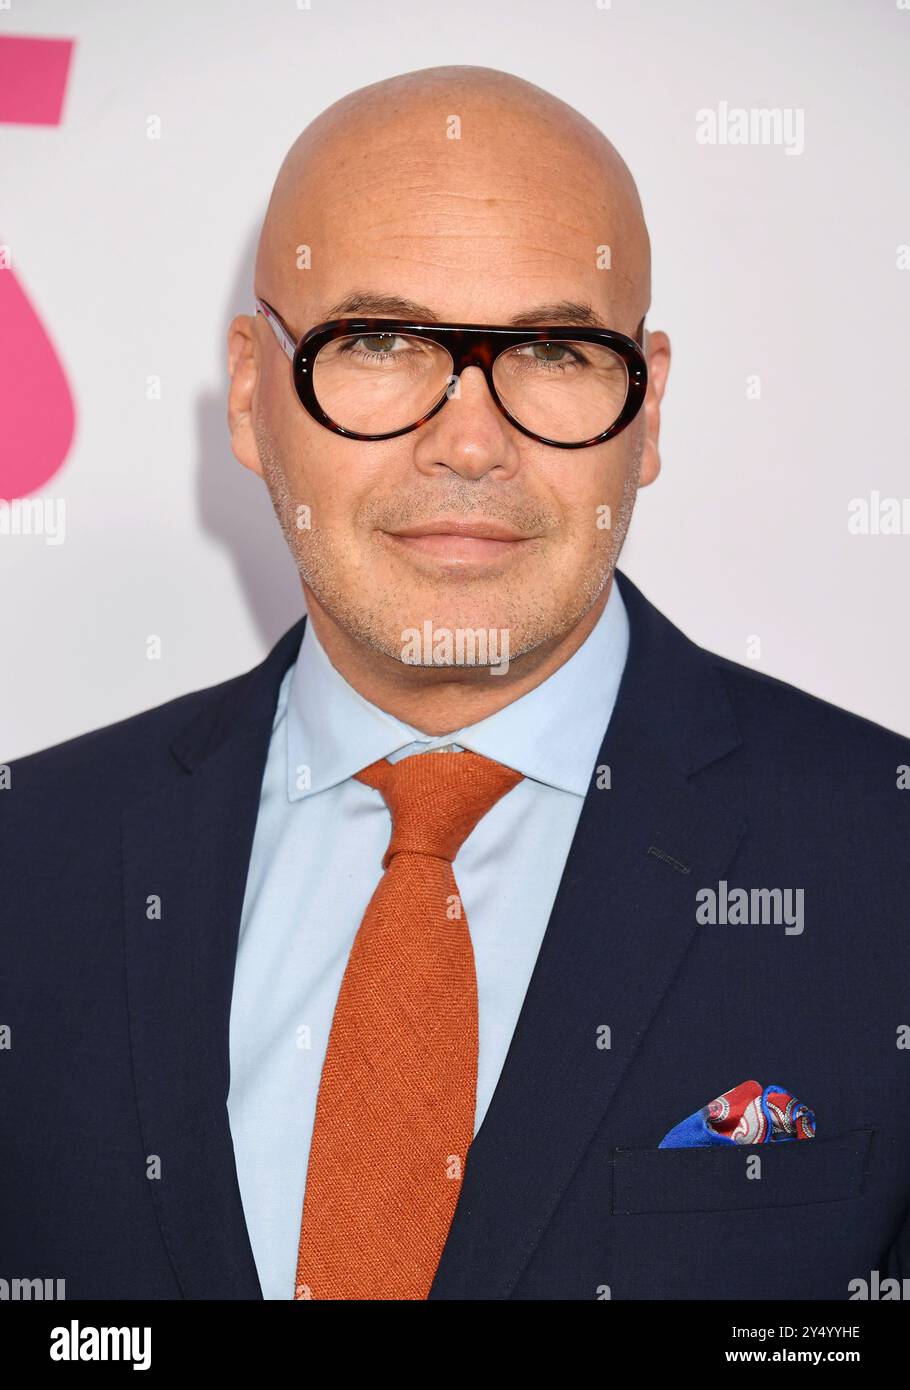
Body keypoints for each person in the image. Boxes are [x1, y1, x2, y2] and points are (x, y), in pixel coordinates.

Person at [2, 65, 908, 1303]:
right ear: (254, 395)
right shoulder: (27, 861)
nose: (469, 440)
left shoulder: (886, 857)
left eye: (554, 350)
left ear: (646, 415)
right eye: (377, 342)